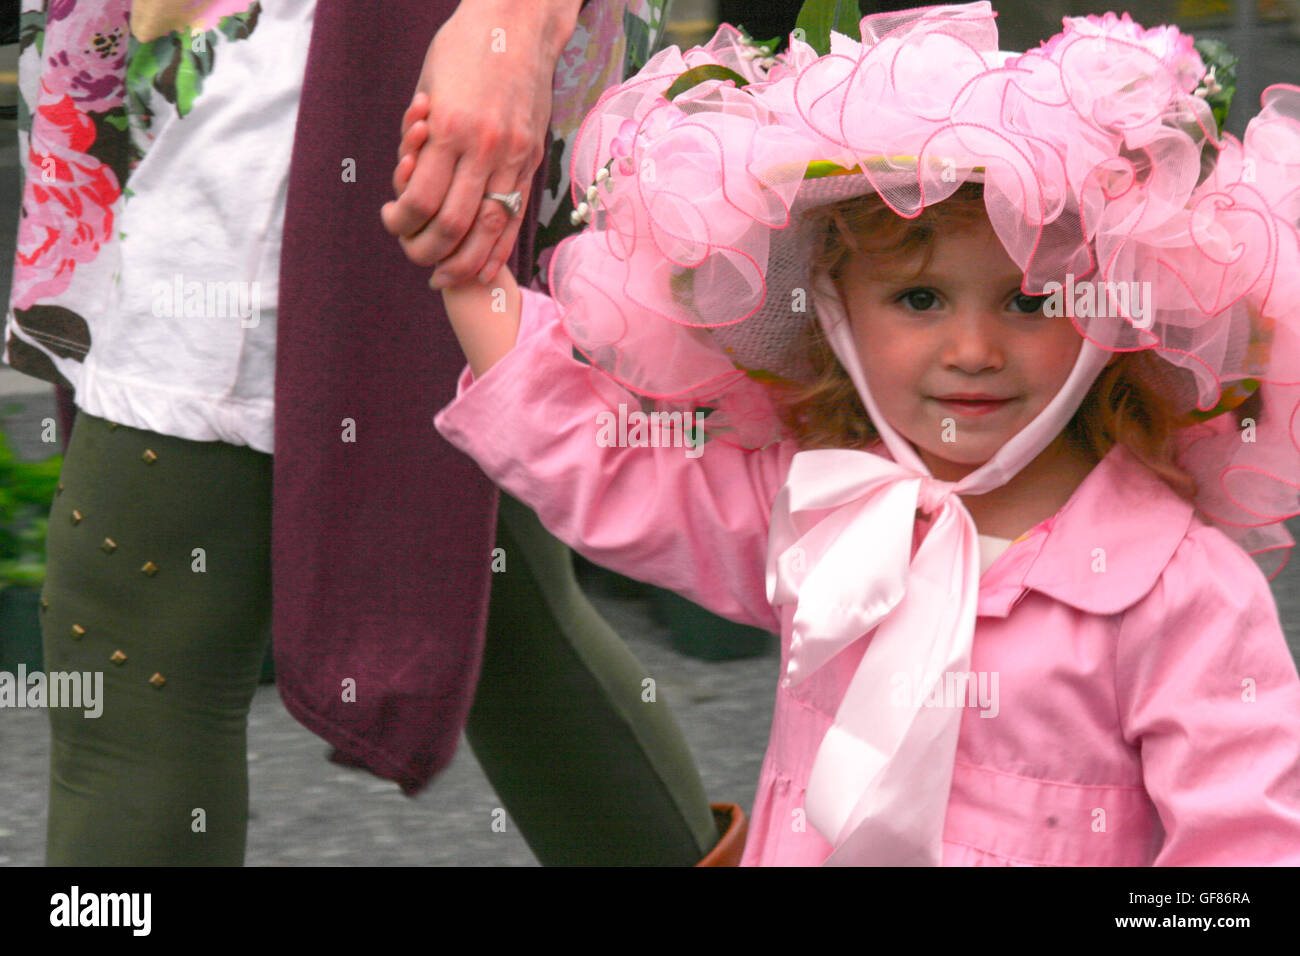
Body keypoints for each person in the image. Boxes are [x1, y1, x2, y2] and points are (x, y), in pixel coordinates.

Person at [426, 2, 1300, 865]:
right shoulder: (820, 501)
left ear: (1106, 315)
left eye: (1030, 300)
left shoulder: (1180, 595)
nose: (972, 350)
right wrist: (469, 267)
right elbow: (604, 462)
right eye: (918, 299)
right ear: (837, 316)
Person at [7, 0, 740, 866]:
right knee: (487, 579)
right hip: (288, 61)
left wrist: (513, 25)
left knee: (133, 653)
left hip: (332, 75)